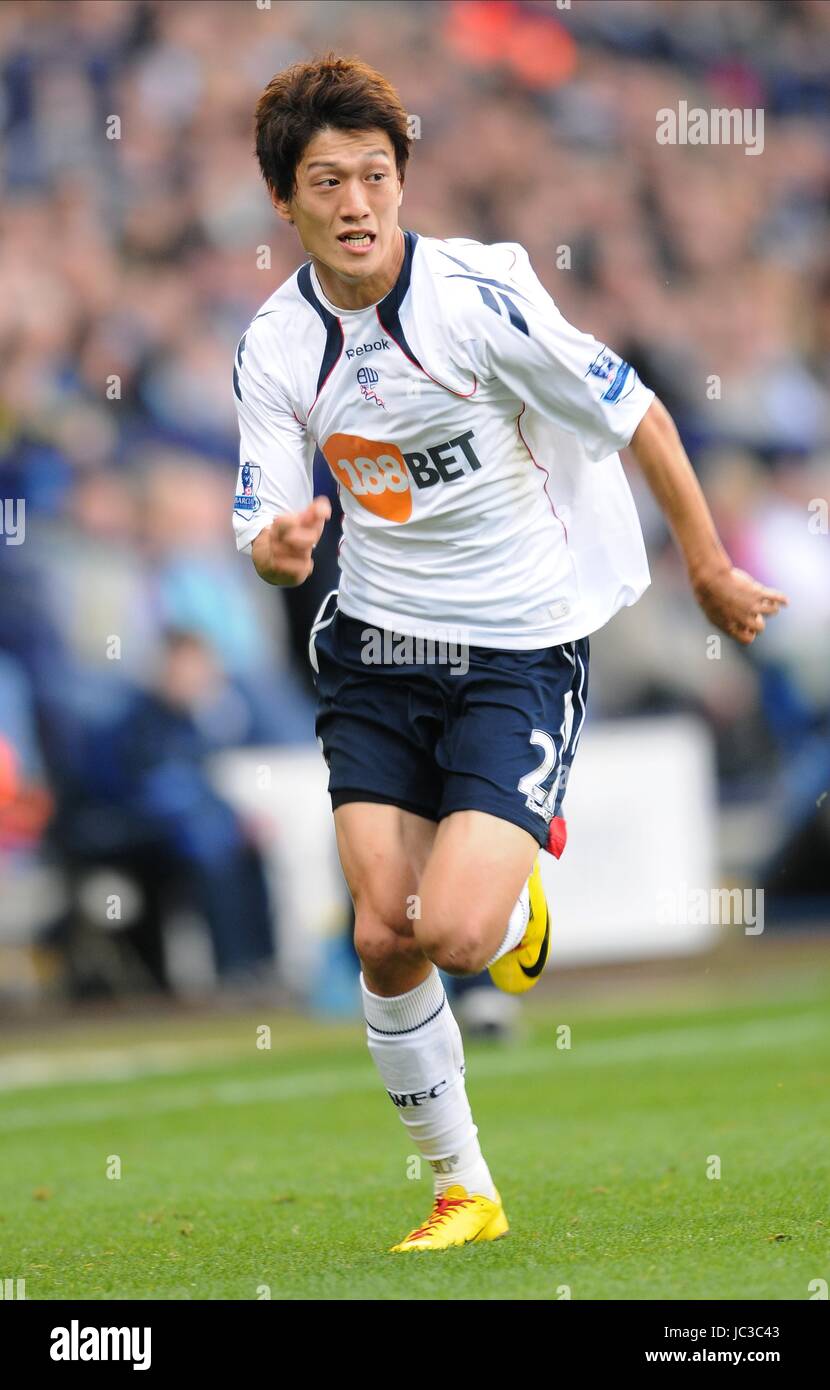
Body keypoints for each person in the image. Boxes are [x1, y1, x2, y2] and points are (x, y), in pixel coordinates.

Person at [231, 55, 787, 1252]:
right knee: (381, 934)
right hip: (374, 650)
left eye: (375, 175)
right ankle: (461, 1186)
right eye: (325, 181)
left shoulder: (476, 301)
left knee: (456, 935)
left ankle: (515, 869)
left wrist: (701, 563)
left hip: (514, 649)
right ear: (287, 202)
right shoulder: (275, 347)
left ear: (401, 181)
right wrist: (279, 551)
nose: (355, 202)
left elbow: (634, 408)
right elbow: (268, 527)